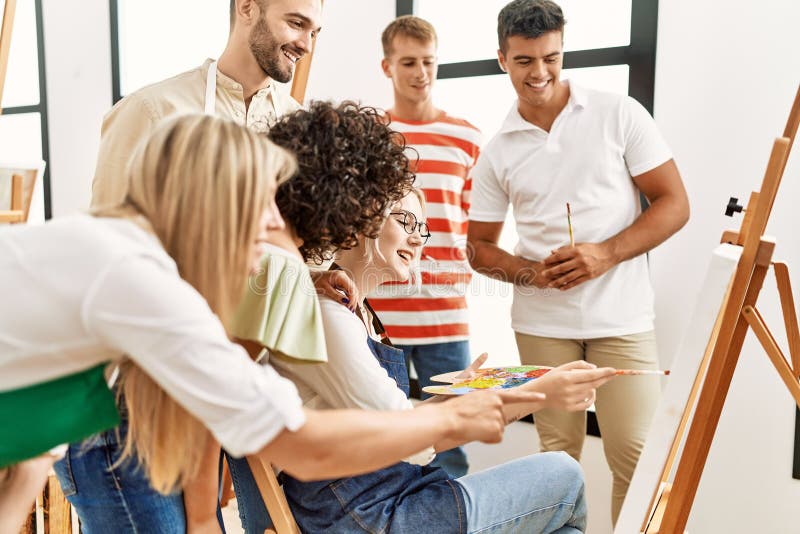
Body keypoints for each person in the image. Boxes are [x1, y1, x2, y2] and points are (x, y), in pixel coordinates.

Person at [0, 115, 540, 534]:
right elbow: (300, 444)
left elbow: (37, 442)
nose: (271, 222)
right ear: (211, 201)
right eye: (260, 202)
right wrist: (455, 418)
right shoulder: (135, 276)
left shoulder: (105, 255)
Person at [233, 188, 619, 533]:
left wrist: (457, 396)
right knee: (563, 475)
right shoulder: (330, 316)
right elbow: (408, 440)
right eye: (406, 221)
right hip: (368, 516)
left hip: (383, 499)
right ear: (360, 217)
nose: (418, 238)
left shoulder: (359, 314)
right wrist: (540, 394)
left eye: (423, 228)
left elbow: (395, 424)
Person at [466, 0, 690, 524]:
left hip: (624, 318)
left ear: (563, 50)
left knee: (637, 457)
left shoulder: (619, 114)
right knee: (556, 461)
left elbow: (675, 204)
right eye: (524, 61)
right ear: (502, 58)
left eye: (551, 58)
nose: (540, 73)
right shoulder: (497, 150)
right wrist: (530, 273)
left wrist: (605, 254)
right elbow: (478, 248)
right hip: (542, 324)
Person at [185, 100, 422, 533]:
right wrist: (203, 516)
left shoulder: (278, 258)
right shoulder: (278, 264)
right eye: (374, 203)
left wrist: (309, 277)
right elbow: (213, 393)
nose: (371, 219)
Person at [368, 15, 482, 477]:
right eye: (409, 62)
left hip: (444, 311)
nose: (421, 73)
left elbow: (473, 223)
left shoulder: (466, 138)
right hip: (379, 311)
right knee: (382, 439)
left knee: (451, 439)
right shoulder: (371, 135)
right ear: (387, 67)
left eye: (429, 62)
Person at [91, 0, 322, 208]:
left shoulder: (303, 127)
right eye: (296, 23)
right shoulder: (149, 110)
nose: (307, 46)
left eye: (313, 33)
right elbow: (110, 231)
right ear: (246, 8)